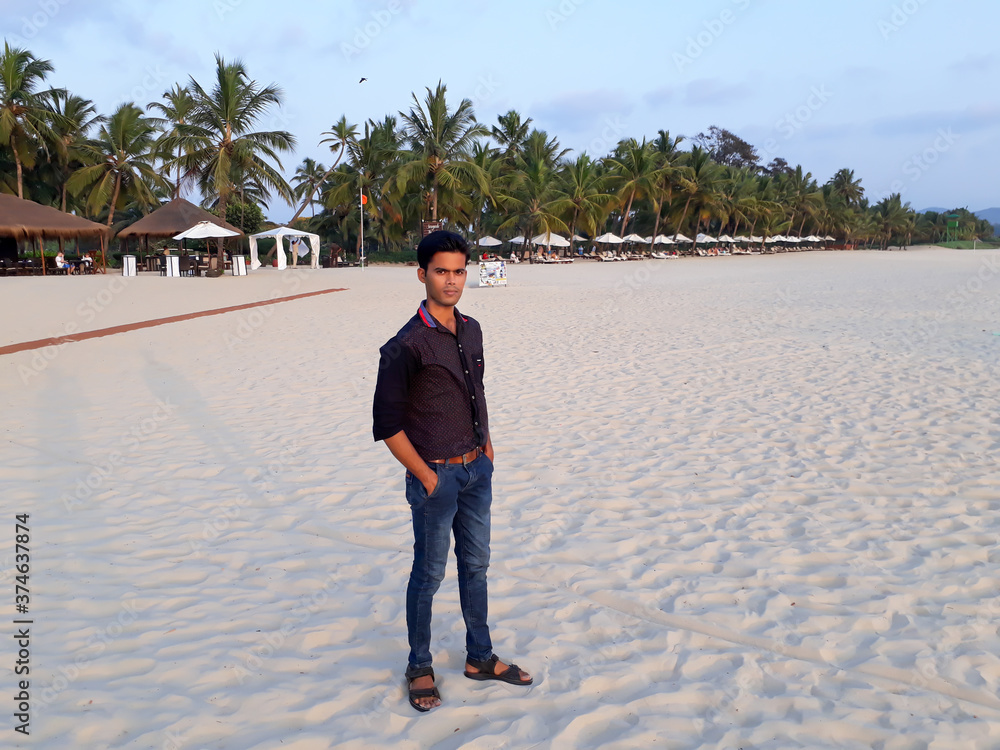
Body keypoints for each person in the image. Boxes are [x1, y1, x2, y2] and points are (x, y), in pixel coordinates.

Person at [372, 230, 532, 713]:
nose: (452, 281)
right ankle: (420, 665)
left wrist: (486, 445)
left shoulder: (473, 328)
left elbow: (474, 390)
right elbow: (386, 425)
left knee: (477, 566)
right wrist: (425, 476)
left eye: (459, 271)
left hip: (476, 471)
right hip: (436, 477)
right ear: (421, 274)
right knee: (429, 573)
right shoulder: (404, 345)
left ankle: (479, 657)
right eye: (441, 271)